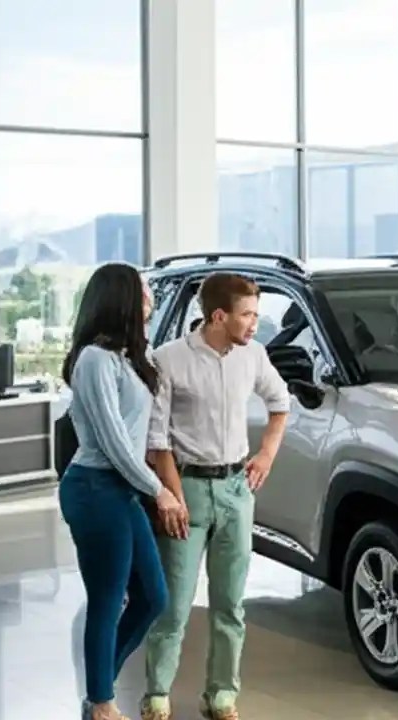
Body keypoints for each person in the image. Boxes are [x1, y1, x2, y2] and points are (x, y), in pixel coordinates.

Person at [141, 273, 291, 720]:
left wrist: (265, 454)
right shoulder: (167, 360)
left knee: (231, 603)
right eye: (247, 315)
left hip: (236, 492)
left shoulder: (255, 356)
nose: (254, 324)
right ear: (219, 315)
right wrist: (173, 495)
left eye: (256, 315)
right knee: (174, 604)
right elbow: (157, 441)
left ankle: (222, 694)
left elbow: (281, 403)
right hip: (185, 487)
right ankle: (156, 694)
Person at [59, 263, 183, 720]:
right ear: (122, 298)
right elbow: (113, 442)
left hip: (123, 488)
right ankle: (103, 703)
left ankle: (97, 688)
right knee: (108, 599)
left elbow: (141, 434)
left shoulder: (130, 357)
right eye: (144, 289)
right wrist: (159, 492)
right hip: (94, 488)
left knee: (153, 596)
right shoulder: (94, 359)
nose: (151, 295)